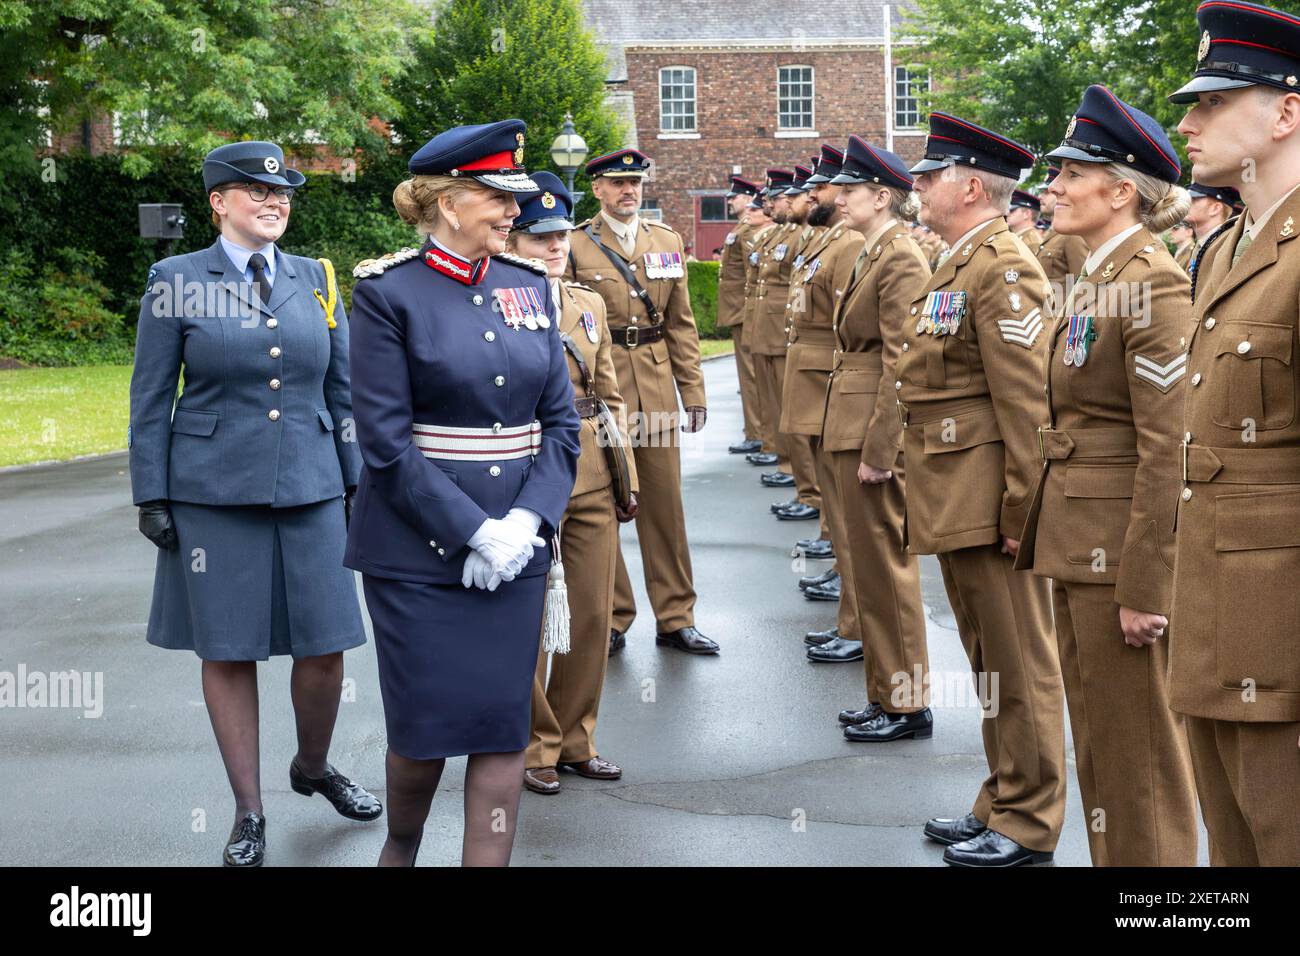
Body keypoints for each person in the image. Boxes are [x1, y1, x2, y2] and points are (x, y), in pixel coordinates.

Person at [129, 140, 381, 868]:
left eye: (283, 196)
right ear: (219, 202)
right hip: (212, 491)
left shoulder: (315, 277)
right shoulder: (176, 279)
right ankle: (249, 810)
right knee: (229, 649)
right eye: (258, 193)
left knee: (327, 644)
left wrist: (356, 477)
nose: (275, 204)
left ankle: (313, 765)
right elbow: (150, 399)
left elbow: (342, 393)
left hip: (311, 484)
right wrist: (151, 492)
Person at [344, 119, 581, 866]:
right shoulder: (388, 295)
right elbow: (384, 442)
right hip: (416, 552)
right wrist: (473, 532)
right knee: (423, 729)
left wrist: (523, 523)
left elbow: (562, 427)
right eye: (498, 197)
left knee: (501, 723)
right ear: (450, 204)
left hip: (518, 552)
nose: (516, 210)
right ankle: (401, 848)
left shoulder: (528, 288)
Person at [1015, 85, 1199, 866]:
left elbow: (1169, 446)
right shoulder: (1098, 272)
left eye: (1070, 174)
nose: (1051, 188)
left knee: (1139, 760)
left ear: (1122, 190)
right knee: (1099, 741)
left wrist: (1145, 586)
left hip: (1116, 551)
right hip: (1077, 538)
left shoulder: (1152, 280)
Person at [900, 112, 1067, 867]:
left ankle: (1030, 821)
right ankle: (1001, 796)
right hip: (954, 495)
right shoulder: (959, 260)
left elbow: (1027, 403)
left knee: (1019, 666)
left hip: (990, 499)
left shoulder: (1002, 265)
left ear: (970, 185)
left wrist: (1022, 514)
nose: (919, 186)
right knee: (989, 664)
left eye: (930, 175)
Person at [1168, 0, 1300, 866]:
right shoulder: (1223, 250)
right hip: (1214, 612)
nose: (1187, 122)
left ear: (1287, 111)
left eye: (1214, 101)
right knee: (1232, 857)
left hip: (1282, 633)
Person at [510, 173, 640, 794]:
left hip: (590, 469)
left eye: (560, 233)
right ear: (511, 241)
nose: (554, 245)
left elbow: (607, 397)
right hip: (526, 470)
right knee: (531, 616)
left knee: (589, 614)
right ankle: (534, 744)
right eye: (538, 237)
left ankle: (577, 737)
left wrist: (625, 477)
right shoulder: (494, 302)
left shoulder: (587, 304)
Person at [567, 148, 716, 656]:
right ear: (598, 190)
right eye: (617, 183)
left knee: (664, 509)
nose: (628, 190)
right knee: (604, 500)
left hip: (653, 388)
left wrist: (692, 390)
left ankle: (676, 617)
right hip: (599, 394)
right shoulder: (573, 245)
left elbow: (681, 323)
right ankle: (613, 615)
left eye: (635, 182)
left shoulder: (666, 241)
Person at [808, 137, 933, 730]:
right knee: (868, 569)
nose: (840, 197)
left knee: (886, 569)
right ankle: (887, 693)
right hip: (848, 421)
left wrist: (882, 449)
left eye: (851, 189)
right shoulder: (870, 250)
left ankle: (907, 701)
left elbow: (901, 360)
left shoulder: (900, 255)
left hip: (869, 434)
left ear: (882, 196)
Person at [774, 163, 827, 524]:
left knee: (819, 444)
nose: (809, 197)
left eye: (818, 188)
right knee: (803, 433)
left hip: (823, 357)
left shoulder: (844, 242)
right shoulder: (820, 238)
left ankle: (814, 501)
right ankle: (812, 499)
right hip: (803, 347)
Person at [746, 170, 799, 489]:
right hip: (767, 326)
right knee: (770, 397)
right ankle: (779, 453)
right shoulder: (777, 235)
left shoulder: (794, 236)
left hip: (781, 329)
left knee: (783, 400)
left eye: (777, 198)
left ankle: (790, 461)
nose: (773, 204)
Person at [720, 176, 765, 456]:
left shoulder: (748, 230)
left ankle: (757, 433)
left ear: (748, 199)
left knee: (751, 378)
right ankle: (755, 431)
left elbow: (754, 272)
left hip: (745, 312)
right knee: (748, 377)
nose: (729, 200)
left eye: (734, 196)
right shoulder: (741, 227)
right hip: (739, 312)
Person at [1036, 165, 1090, 297]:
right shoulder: (1054, 232)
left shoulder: (1073, 235)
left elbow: (1082, 288)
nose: (1041, 196)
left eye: (1047, 192)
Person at [1185, 181, 1241, 267]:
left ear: (1215, 208)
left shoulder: (1227, 249)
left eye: (1193, 198)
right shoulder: (1200, 246)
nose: (1187, 202)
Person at [1008, 189, 1044, 254]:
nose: (1007, 213)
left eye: (1012, 210)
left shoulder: (1032, 243)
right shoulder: (1020, 237)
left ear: (1026, 214)